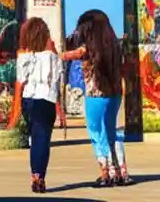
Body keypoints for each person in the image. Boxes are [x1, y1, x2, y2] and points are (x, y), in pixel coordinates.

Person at [62, 10, 131, 187]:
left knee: (96, 132)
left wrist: (51, 54)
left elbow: (68, 54)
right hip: (114, 95)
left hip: (95, 95)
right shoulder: (115, 46)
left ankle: (105, 172)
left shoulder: (89, 48)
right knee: (112, 132)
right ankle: (121, 171)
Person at [9, 17, 60, 194]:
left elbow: (19, 83)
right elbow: (56, 81)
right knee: (43, 140)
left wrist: (15, 110)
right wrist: (60, 109)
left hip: (29, 100)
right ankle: (40, 175)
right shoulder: (52, 56)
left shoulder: (23, 55)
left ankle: (35, 175)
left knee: (34, 139)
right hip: (47, 101)